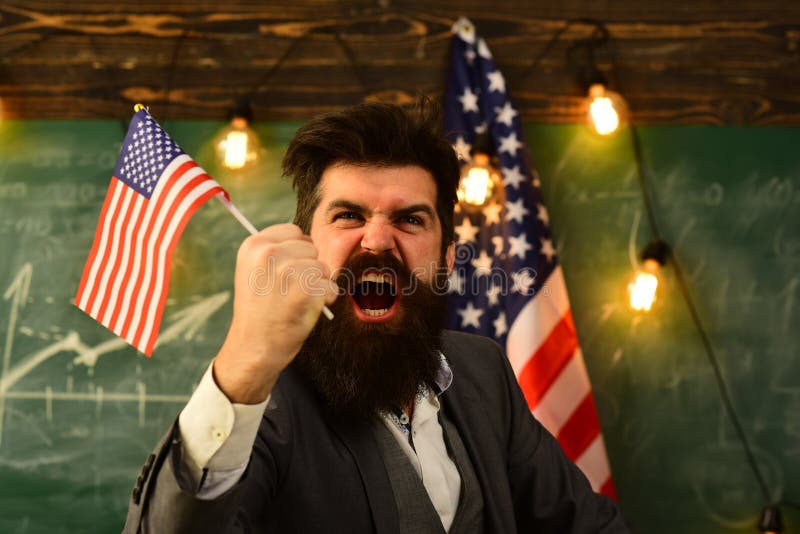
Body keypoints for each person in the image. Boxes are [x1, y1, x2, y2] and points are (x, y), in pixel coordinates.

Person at [123, 99, 631, 533]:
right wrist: (243, 365)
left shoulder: (484, 371)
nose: (377, 240)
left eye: (410, 219)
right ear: (306, 247)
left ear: (448, 258)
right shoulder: (261, 400)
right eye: (348, 216)